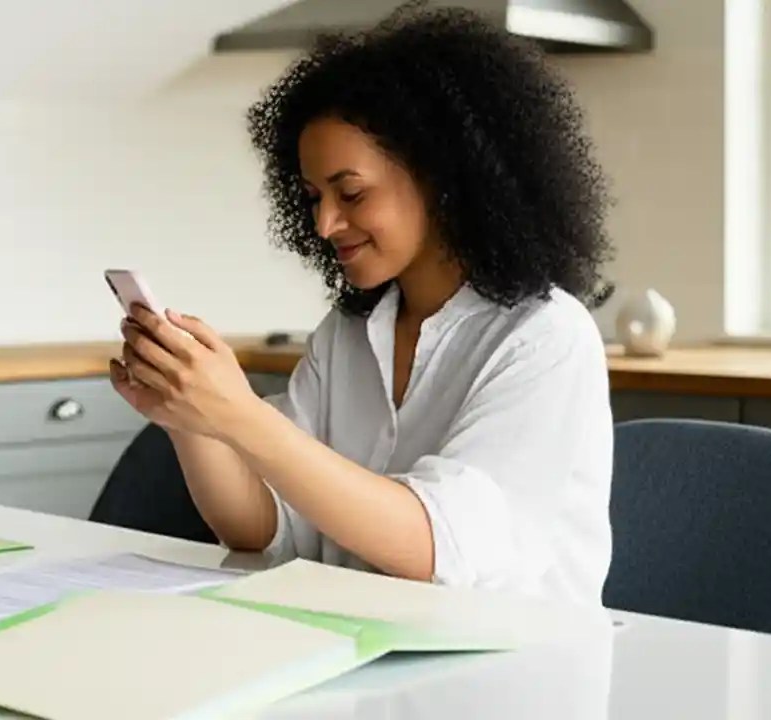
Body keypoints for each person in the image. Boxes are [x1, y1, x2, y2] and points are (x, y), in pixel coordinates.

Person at [108, 3, 614, 606]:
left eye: (350, 192)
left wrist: (240, 414)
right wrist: (188, 418)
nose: (324, 223)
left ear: (443, 178)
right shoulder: (347, 332)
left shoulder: (545, 337)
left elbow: (434, 547)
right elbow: (258, 528)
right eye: (314, 196)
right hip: (364, 655)